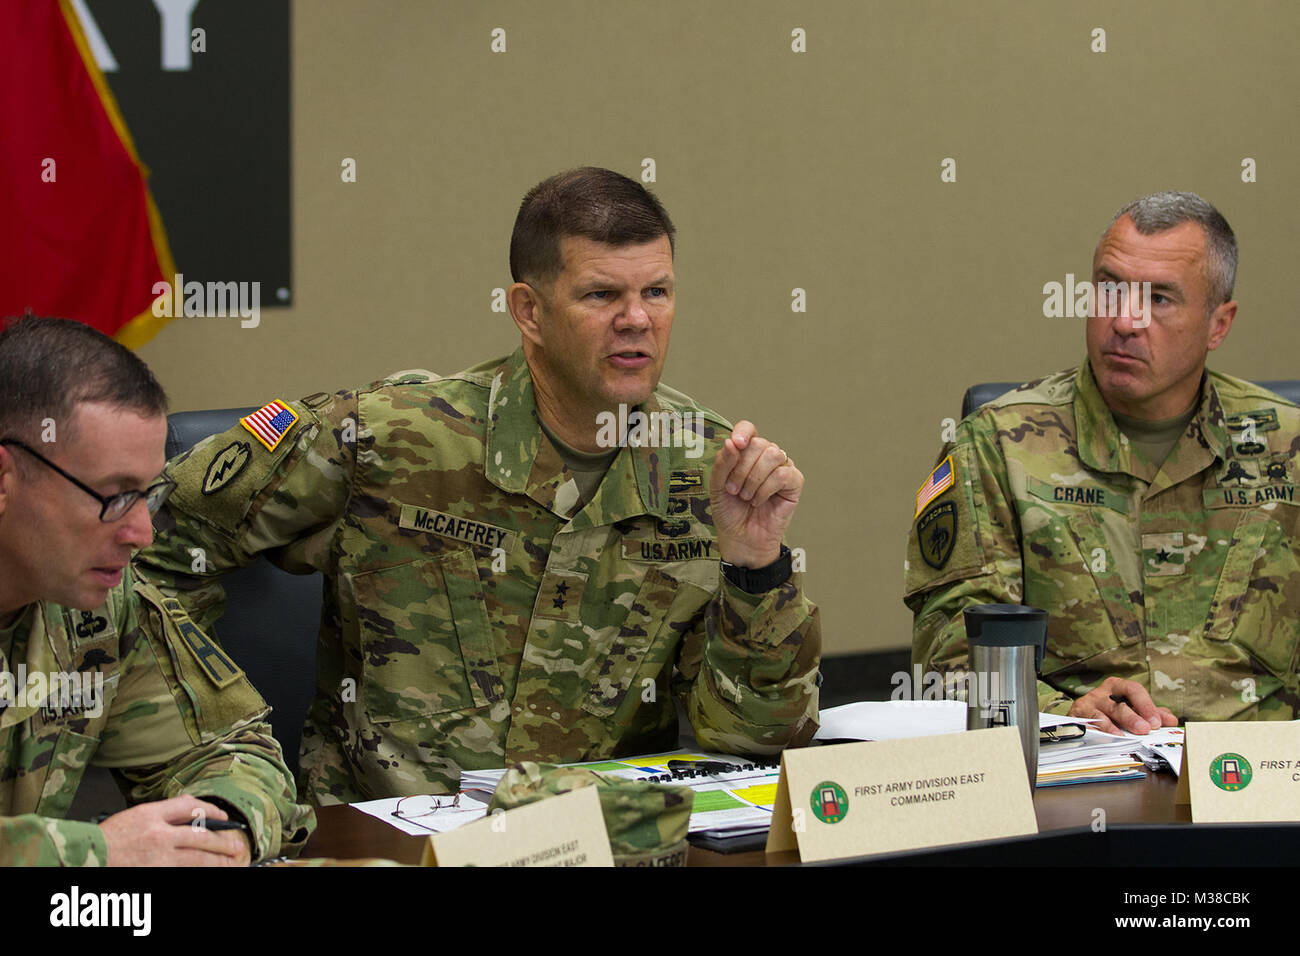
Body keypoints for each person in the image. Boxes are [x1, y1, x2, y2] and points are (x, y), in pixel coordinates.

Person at [139, 167, 822, 805]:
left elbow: (755, 743)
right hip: (389, 842)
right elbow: (145, 553)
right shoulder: (389, 437)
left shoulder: (710, 469)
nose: (637, 319)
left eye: (657, 292)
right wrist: (221, 754)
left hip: (598, 842)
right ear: (528, 312)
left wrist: (756, 568)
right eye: (601, 294)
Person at [906, 191, 1299, 735]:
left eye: (1160, 299)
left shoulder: (1288, 448)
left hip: (1256, 787)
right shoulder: (997, 445)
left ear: (1219, 323)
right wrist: (1064, 713)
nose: (1125, 321)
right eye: (1111, 289)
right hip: (1079, 771)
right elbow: (945, 668)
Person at [0, 316, 315, 865]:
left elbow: (228, 750)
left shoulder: (98, 608)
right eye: (114, 496)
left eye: (144, 496)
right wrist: (101, 854)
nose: (141, 534)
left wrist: (219, 829)